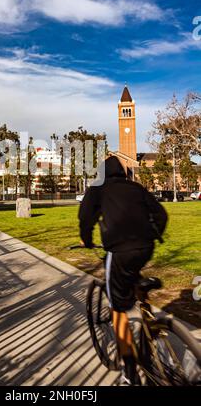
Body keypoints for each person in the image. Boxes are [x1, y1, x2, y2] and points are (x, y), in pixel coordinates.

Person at [79, 156, 167, 385]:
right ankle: (148, 317)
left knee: (117, 307)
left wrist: (86, 240)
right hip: (146, 247)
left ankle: (129, 371)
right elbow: (161, 214)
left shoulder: (98, 188)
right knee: (132, 275)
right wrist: (154, 232)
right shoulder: (136, 187)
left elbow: (86, 216)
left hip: (119, 251)